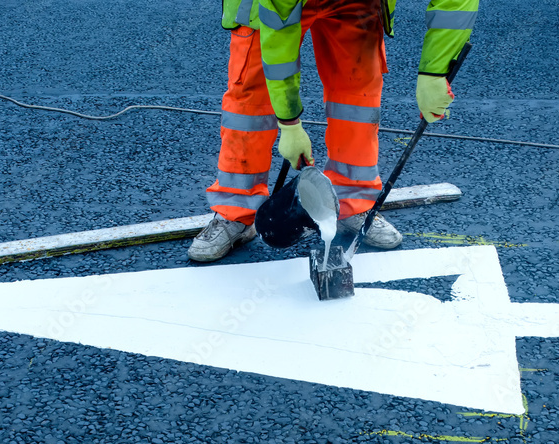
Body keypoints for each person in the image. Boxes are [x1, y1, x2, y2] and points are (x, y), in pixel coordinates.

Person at [189, 0, 479, 262]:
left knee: (357, 93)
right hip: (269, 6)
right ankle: (236, 210)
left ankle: (353, 200)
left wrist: (435, 73)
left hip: (355, 4)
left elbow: (454, 5)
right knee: (252, 95)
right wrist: (289, 124)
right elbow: (277, 37)